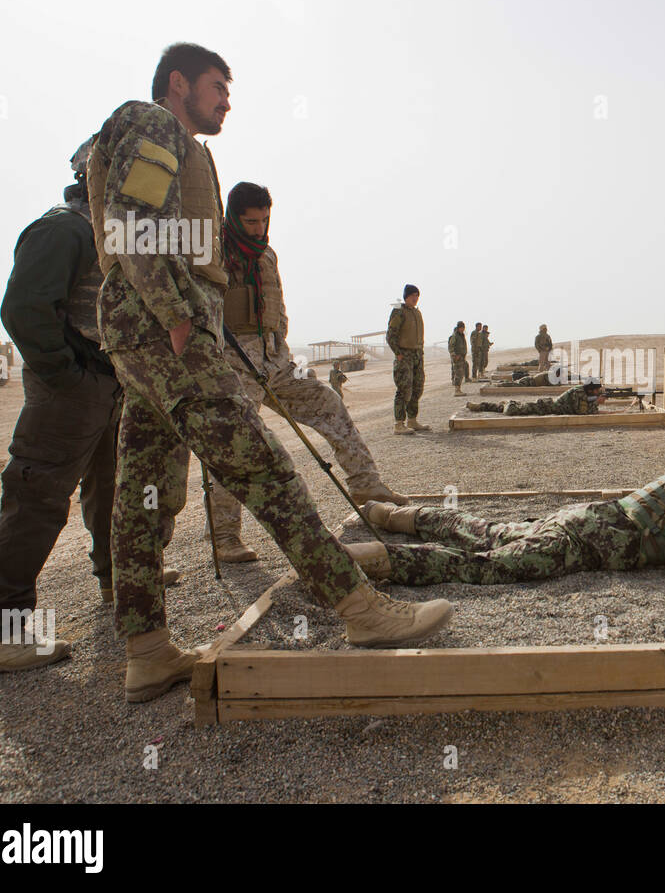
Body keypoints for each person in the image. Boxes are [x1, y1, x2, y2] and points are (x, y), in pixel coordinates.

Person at [86, 42, 451, 702]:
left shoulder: (182, 143)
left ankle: (147, 652)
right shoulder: (154, 123)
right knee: (263, 467)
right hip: (162, 331)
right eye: (217, 87)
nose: (226, 100)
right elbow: (133, 223)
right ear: (179, 84)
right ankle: (359, 610)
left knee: (142, 492)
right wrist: (176, 315)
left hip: (144, 332)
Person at [0, 138, 176, 677]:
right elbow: (25, 309)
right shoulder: (64, 228)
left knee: (111, 490)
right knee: (35, 496)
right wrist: (70, 375)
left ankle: (116, 582)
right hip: (74, 388)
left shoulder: (111, 235)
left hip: (109, 384)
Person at [206, 181, 408, 564]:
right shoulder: (212, 253)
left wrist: (280, 346)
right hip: (233, 364)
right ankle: (224, 537)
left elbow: (277, 308)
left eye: (265, 220)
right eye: (251, 222)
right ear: (233, 218)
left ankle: (368, 487)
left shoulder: (267, 256)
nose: (259, 229)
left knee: (329, 404)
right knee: (233, 446)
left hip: (276, 361)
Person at [343, 435, 665, 585]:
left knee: (487, 532)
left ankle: (393, 516)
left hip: (588, 519)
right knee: (485, 567)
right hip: (595, 543)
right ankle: (374, 561)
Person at [386, 284, 428, 435]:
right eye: (413, 295)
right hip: (404, 356)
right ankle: (399, 423)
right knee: (404, 389)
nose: (415, 298)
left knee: (417, 387)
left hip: (417, 355)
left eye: (417, 295)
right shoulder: (399, 312)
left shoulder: (416, 313)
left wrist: (420, 352)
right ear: (406, 296)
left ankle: (412, 419)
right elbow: (390, 335)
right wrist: (398, 353)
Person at [465, 380, 602, 416]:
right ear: (590, 389)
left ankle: (481, 406)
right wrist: (596, 403)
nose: (597, 392)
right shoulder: (579, 392)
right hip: (545, 407)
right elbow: (581, 412)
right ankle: (508, 402)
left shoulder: (583, 392)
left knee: (509, 409)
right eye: (596, 390)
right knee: (511, 410)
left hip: (546, 408)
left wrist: (594, 402)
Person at [448, 321, 468, 397]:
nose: (463, 330)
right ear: (459, 328)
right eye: (462, 328)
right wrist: (454, 356)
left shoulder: (461, 336)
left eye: (463, 328)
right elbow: (451, 347)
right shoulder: (455, 336)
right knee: (458, 374)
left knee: (461, 373)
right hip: (457, 358)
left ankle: (459, 389)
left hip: (462, 357)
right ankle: (457, 390)